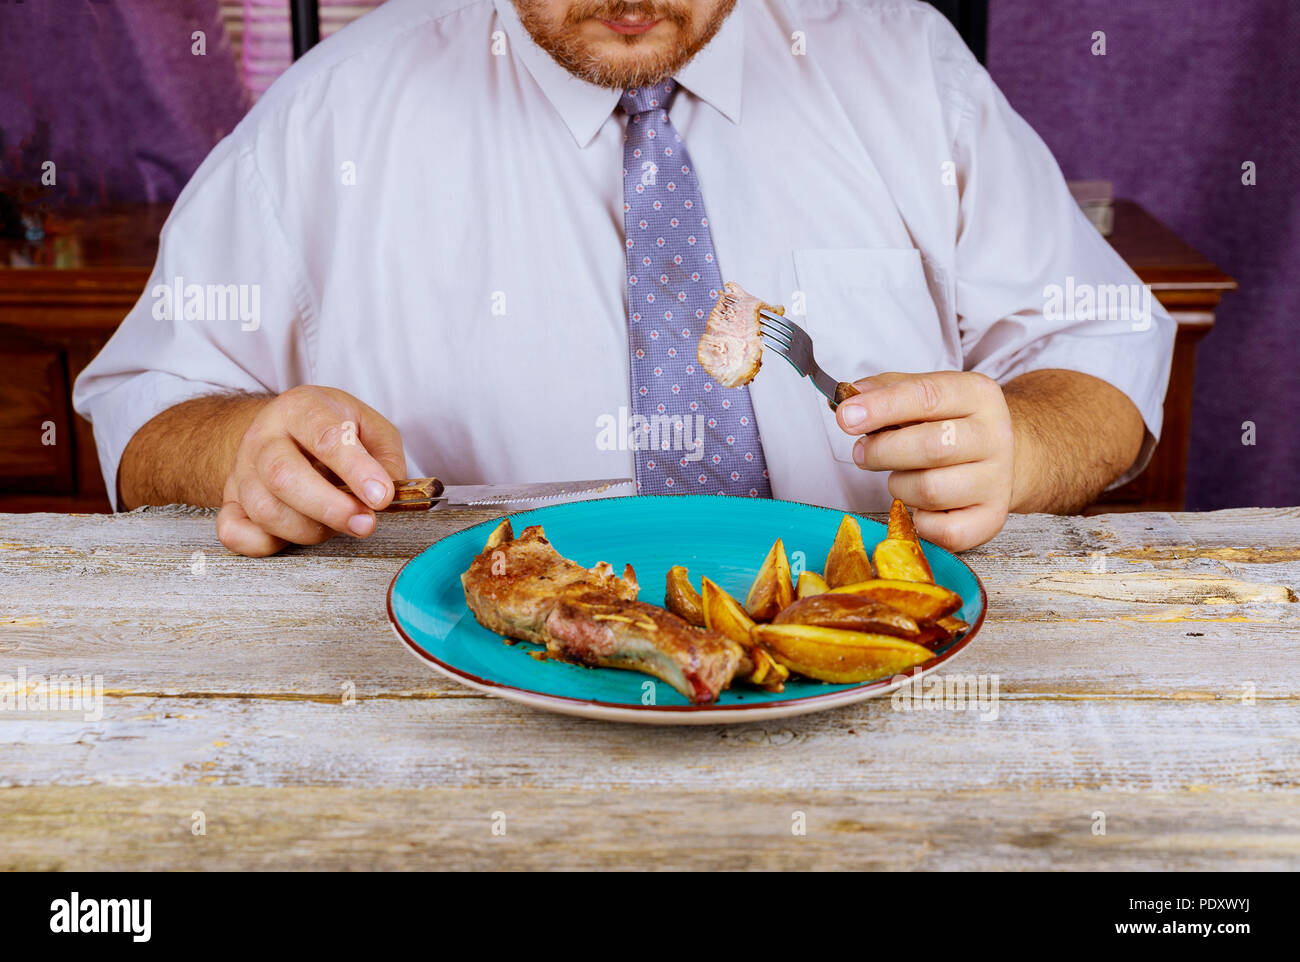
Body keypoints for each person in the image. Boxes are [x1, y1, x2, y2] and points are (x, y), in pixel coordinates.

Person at [72, 0, 1175, 557]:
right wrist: (246, 449)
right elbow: (144, 410)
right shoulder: (334, 110)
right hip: (461, 716)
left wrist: (1022, 445)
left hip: (869, 686)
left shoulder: (905, 61)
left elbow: (1102, 353)